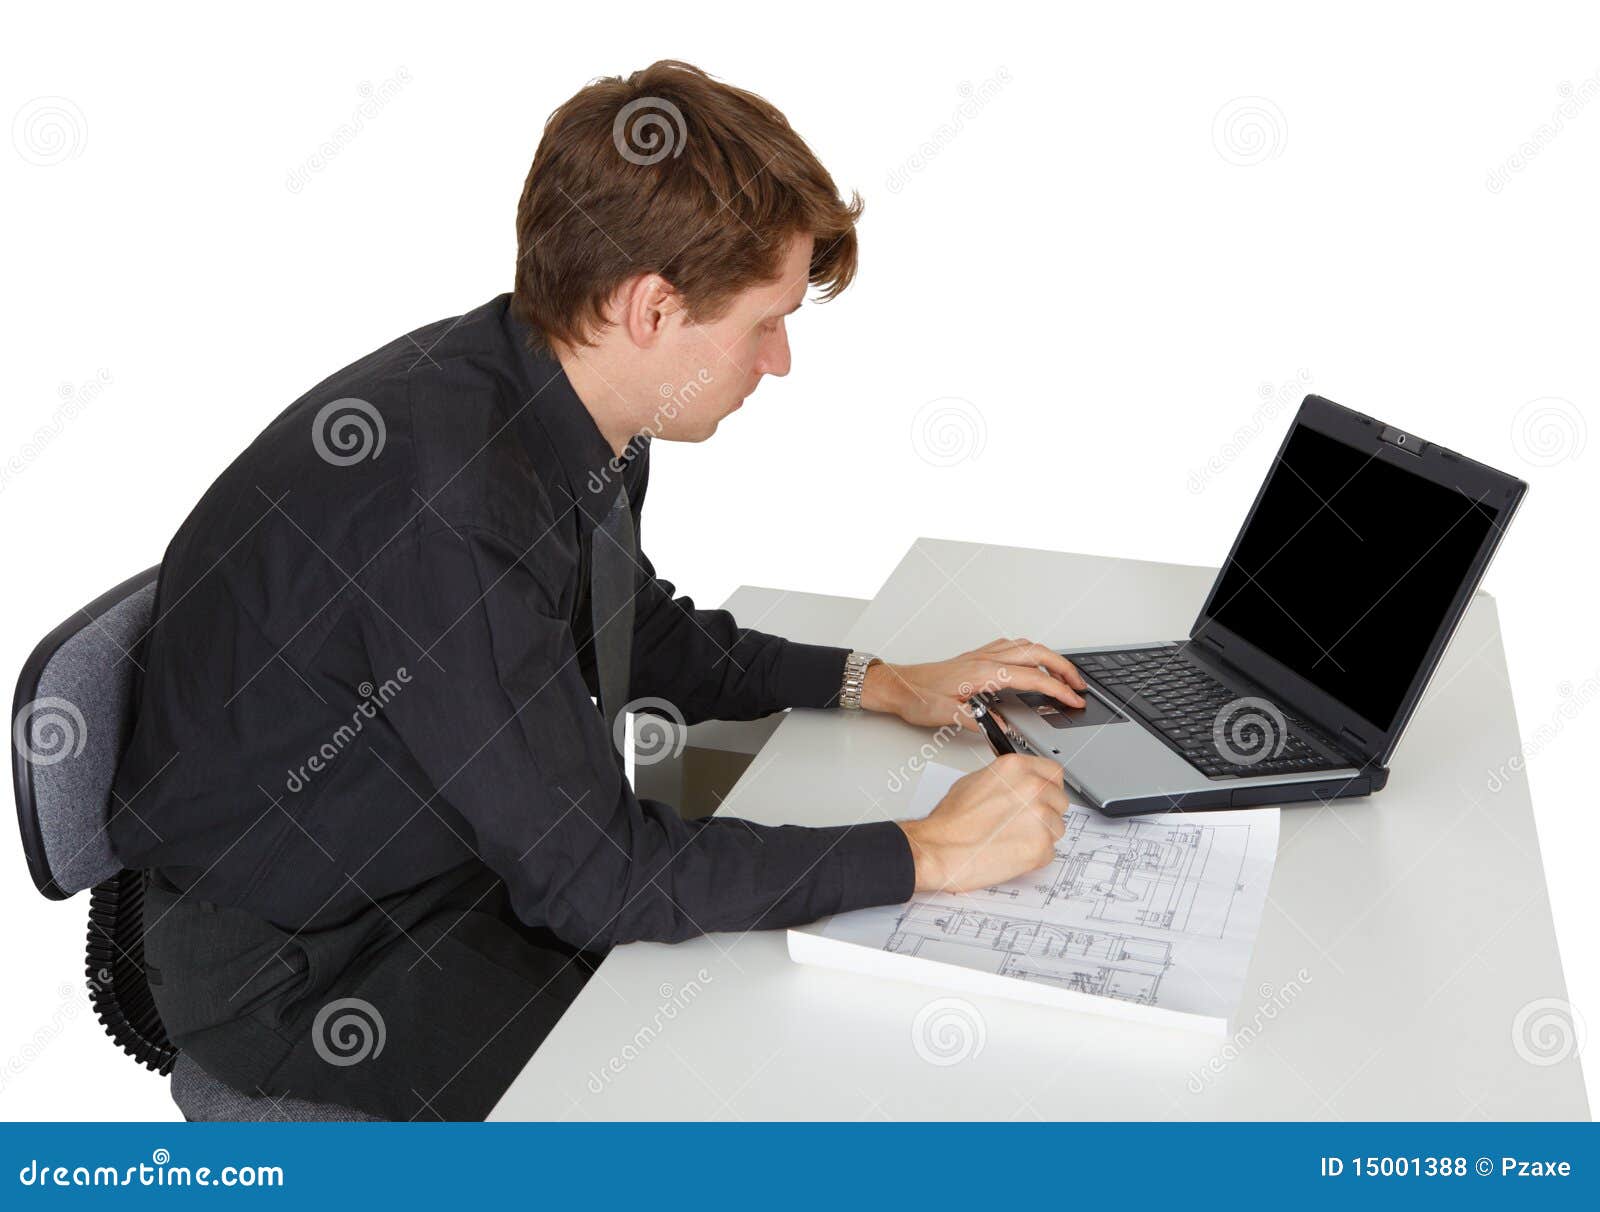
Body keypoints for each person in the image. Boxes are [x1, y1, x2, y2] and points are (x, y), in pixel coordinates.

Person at [111, 59, 1087, 1121]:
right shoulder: (448, 511)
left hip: (442, 866)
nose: (781, 360)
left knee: (765, 1001)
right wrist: (926, 850)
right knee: (709, 1101)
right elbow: (598, 883)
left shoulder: (556, 396)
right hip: (309, 966)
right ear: (651, 308)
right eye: (763, 320)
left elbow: (633, 631)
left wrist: (873, 680)